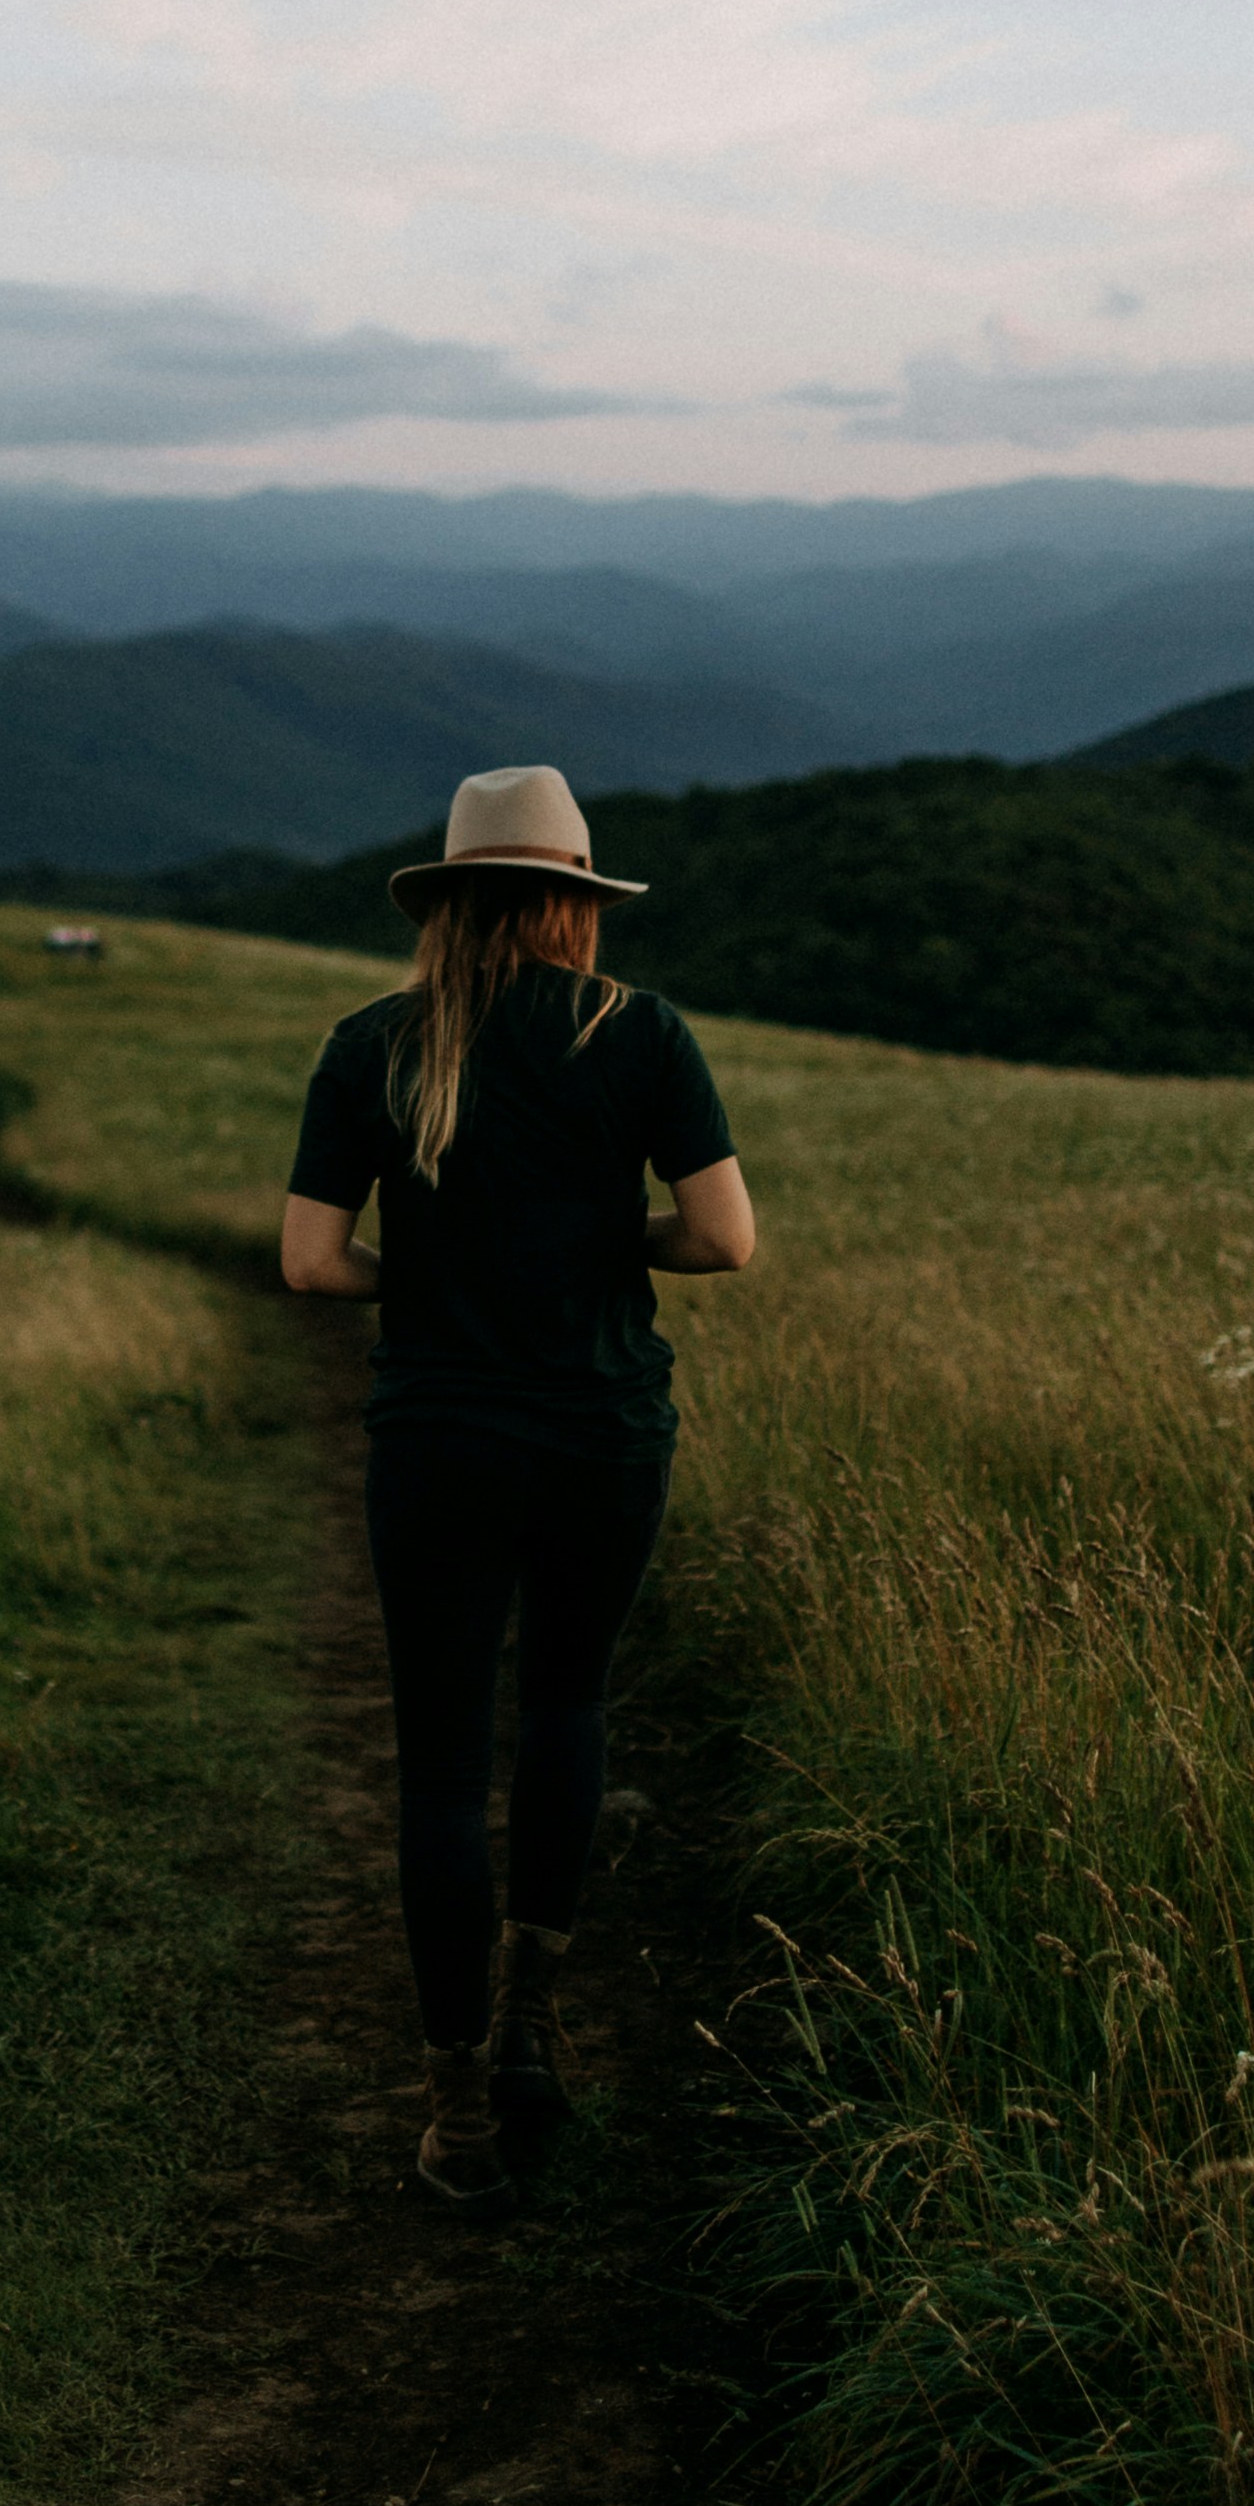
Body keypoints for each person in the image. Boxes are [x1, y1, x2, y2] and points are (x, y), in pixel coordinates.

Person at [278, 762, 757, 2214]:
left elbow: (308, 1263)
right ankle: (537, 2020)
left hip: (437, 1441)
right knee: (567, 1704)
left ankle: (454, 2109)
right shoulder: (642, 1033)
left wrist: (423, 1287)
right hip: (603, 1434)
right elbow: (724, 1242)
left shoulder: (371, 1047)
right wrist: (608, 1262)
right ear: (573, 903)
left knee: (436, 1763)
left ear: (450, 905)